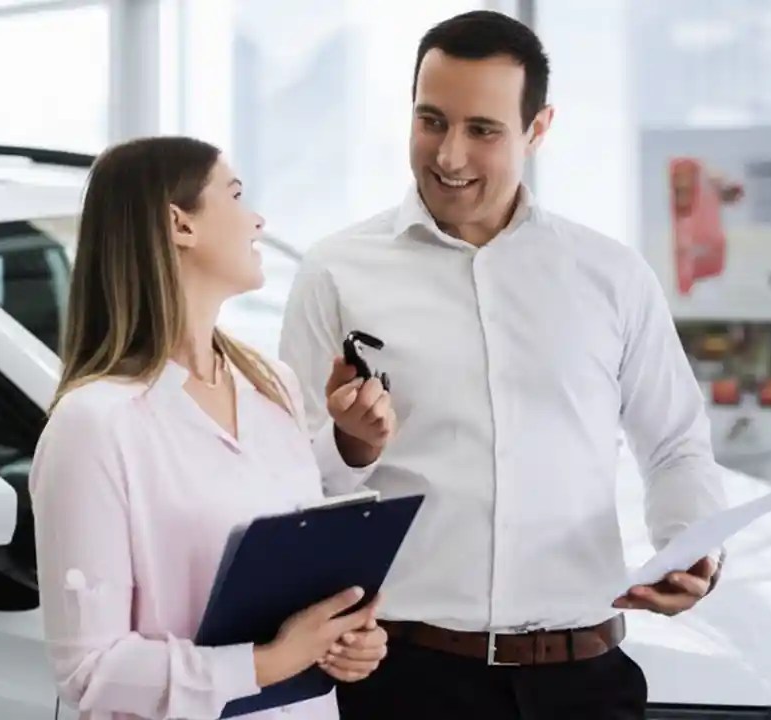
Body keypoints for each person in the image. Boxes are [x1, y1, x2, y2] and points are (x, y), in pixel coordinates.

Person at [280, 11, 727, 719]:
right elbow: (287, 484)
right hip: (408, 682)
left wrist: (689, 547)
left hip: (586, 684)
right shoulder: (336, 273)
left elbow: (674, 444)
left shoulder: (611, 276)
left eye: (482, 130)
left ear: (537, 129)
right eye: (431, 121)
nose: (449, 155)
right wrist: (348, 445)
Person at [28, 136, 398, 720]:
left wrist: (341, 640)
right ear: (180, 224)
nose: (258, 219)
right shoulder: (93, 425)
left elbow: (280, 533)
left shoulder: (270, 384)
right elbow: (90, 671)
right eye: (236, 195)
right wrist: (272, 661)